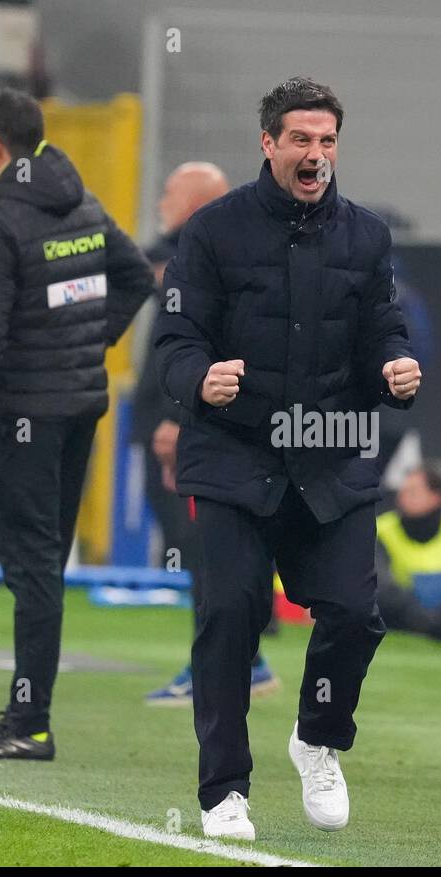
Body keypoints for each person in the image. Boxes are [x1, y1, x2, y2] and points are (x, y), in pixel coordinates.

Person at [154, 76, 421, 840]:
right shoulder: (210, 232)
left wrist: (396, 370)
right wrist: (199, 380)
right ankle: (224, 793)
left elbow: (383, 332)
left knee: (354, 615)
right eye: (301, 140)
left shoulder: (367, 237)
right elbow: (176, 342)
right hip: (233, 460)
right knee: (231, 613)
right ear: (268, 143)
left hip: (331, 462)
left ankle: (317, 738)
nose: (316, 155)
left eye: (327, 141)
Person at [0, 89, 154, 760]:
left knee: (31, 567)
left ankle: (31, 724)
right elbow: (134, 278)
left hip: (28, 418)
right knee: (44, 566)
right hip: (79, 410)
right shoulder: (83, 203)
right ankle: (25, 712)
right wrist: (87, 345)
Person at [133, 162, 279, 705]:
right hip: (169, 419)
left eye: (170, 191)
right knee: (194, 547)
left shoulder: (220, 258)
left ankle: (223, 666)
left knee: (201, 548)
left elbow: (209, 345)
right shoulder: (179, 252)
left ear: (195, 200)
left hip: (191, 426)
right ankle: (245, 659)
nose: (161, 200)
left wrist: (177, 418)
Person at [375, 466, 441, 644]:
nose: (402, 498)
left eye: (412, 492)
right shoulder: (381, 531)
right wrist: (412, 610)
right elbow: (378, 581)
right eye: (401, 492)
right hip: (397, 622)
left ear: (436, 497)